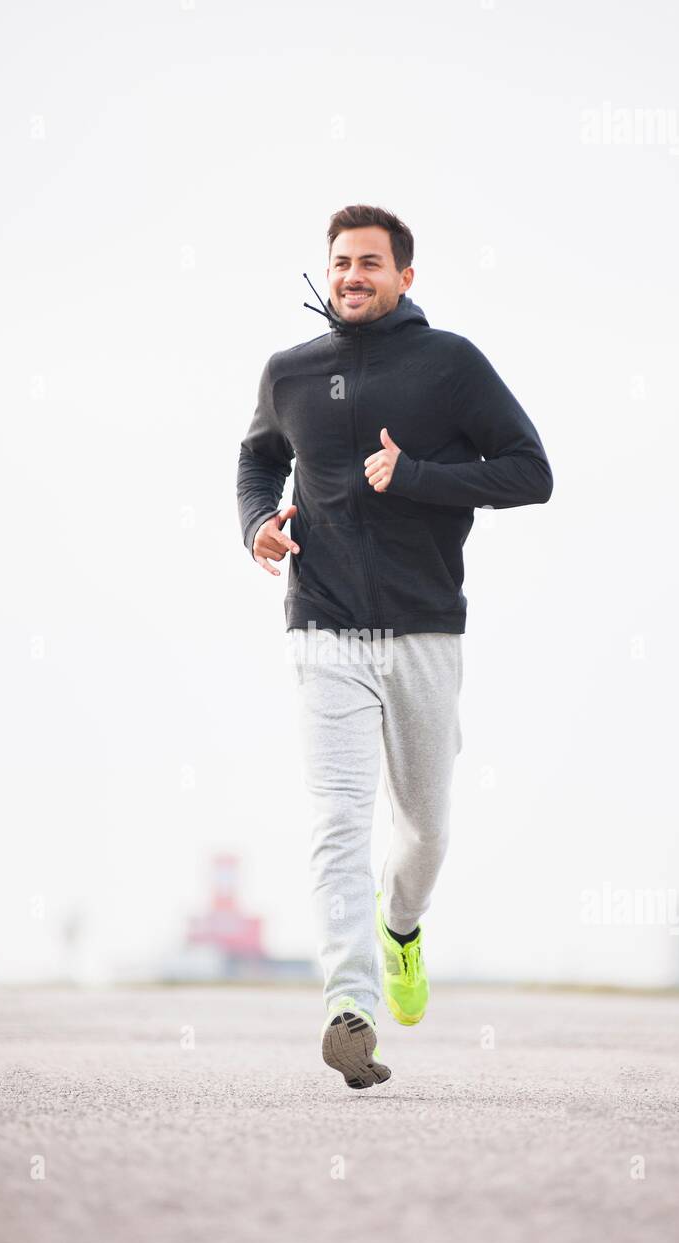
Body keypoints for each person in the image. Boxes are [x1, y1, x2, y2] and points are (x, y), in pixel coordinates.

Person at [236, 204, 552, 1091]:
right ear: (326, 271)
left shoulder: (449, 365)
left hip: (422, 628)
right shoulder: (290, 373)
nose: (353, 276)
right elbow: (257, 459)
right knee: (338, 819)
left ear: (405, 276)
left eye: (371, 263)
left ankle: (401, 927)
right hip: (323, 625)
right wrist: (258, 523)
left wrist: (414, 476)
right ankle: (351, 1008)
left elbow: (532, 471)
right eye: (341, 262)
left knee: (424, 831)